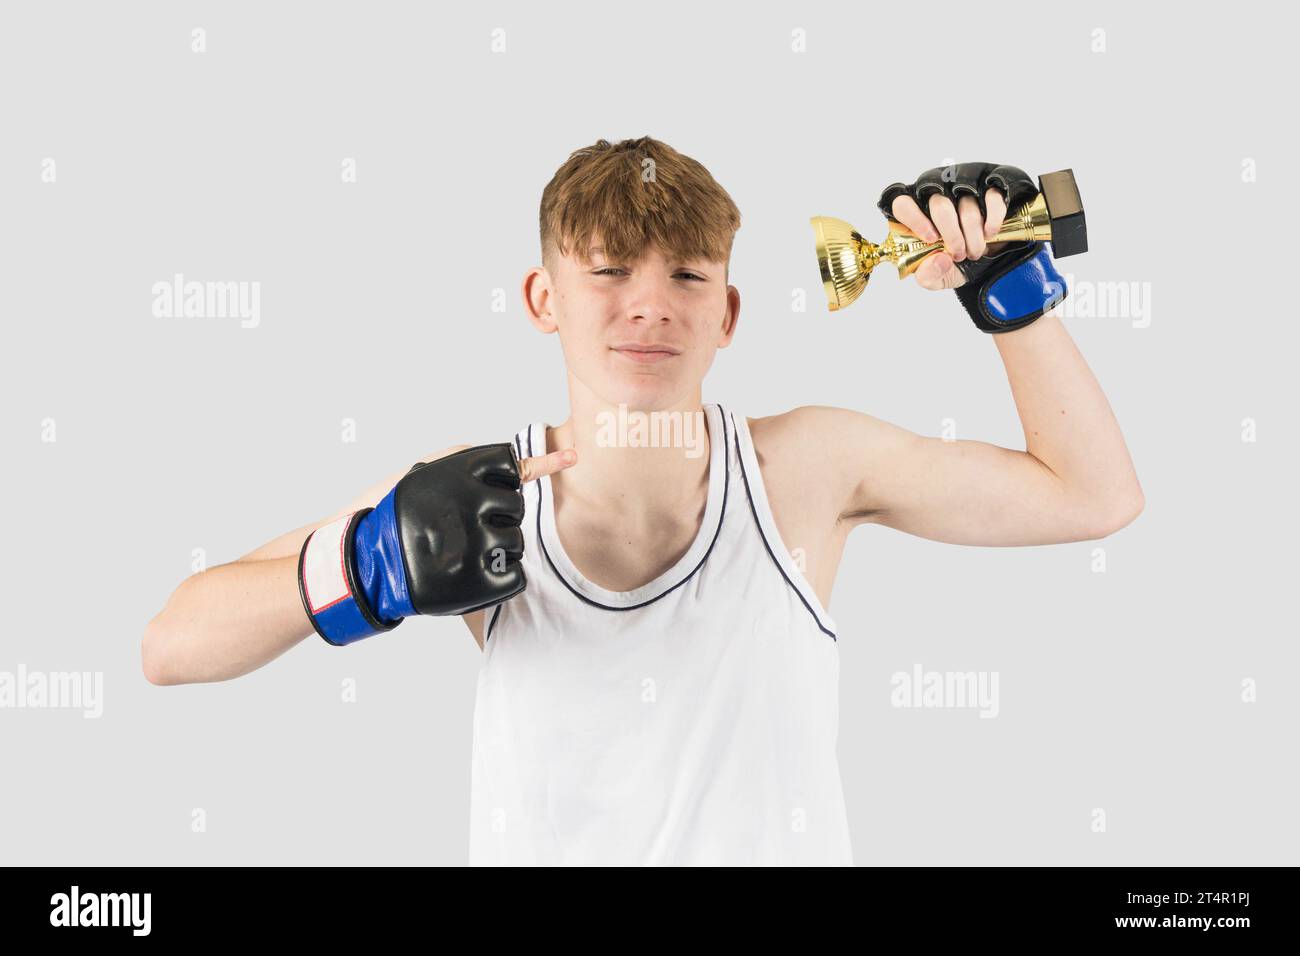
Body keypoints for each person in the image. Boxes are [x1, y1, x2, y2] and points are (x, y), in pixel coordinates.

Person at [143, 137, 1143, 866]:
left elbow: (1092, 495)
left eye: (687, 274)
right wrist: (361, 563)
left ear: (728, 312)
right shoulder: (480, 493)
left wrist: (1010, 287)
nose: (649, 303)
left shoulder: (802, 469)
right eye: (608, 271)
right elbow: (170, 645)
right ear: (544, 298)